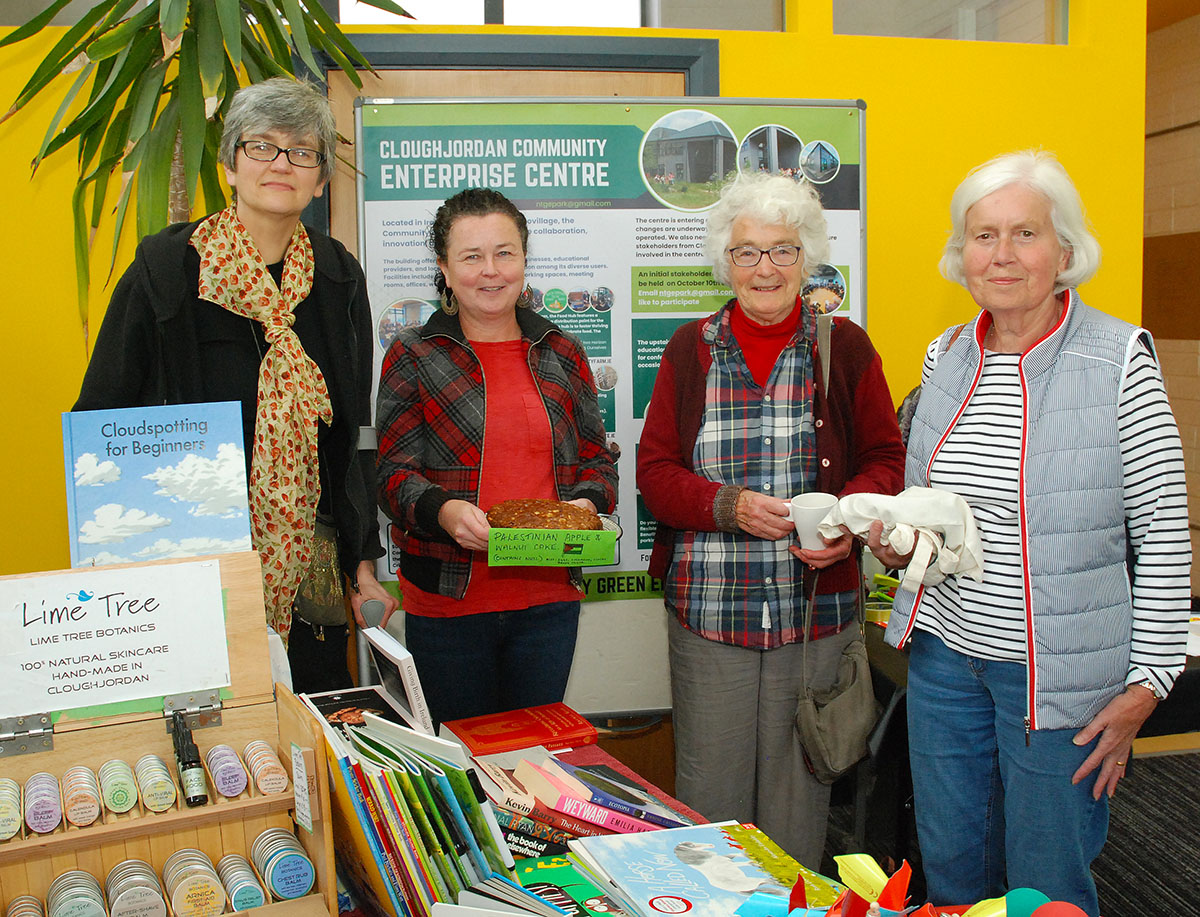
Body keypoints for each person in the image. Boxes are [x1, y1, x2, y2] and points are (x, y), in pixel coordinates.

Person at [870, 150, 1191, 915]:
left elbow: (1164, 532)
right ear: (962, 254)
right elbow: (928, 506)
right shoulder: (947, 355)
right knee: (952, 867)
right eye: (983, 235)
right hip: (946, 659)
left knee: (1046, 884)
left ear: (1065, 249)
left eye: (1025, 233)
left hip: (1060, 675)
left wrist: (1149, 682)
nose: (1002, 254)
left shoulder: (1121, 360)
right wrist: (899, 541)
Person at [74, 77, 398, 693]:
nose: (282, 163)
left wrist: (361, 562)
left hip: (309, 563)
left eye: (302, 151)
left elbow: (348, 437)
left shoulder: (337, 277)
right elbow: (100, 418)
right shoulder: (167, 271)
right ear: (229, 164)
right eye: (262, 146)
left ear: (320, 180)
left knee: (313, 719)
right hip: (190, 563)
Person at [636, 171, 905, 867]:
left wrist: (844, 523)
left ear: (806, 257)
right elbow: (655, 474)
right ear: (725, 260)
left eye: (783, 250)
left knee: (797, 803)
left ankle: (791, 909)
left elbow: (885, 458)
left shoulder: (844, 348)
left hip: (813, 616)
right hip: (710, 614)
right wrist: (727, 506)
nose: (765, 268)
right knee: (709, 806)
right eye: (747, 251)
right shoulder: (689, 348)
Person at [375, 188, 617, 727]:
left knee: (534, 760)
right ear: (444, 268)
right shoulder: (413, 353)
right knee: (462, 760)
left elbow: (598, 460)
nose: (490, 270)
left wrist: (585, 505)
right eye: (471, 256)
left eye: (504, 253)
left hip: (548, 599)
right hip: (448, 601)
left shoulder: (563, 351)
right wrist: (443, 511)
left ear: (524, 260)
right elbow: (393, 475)